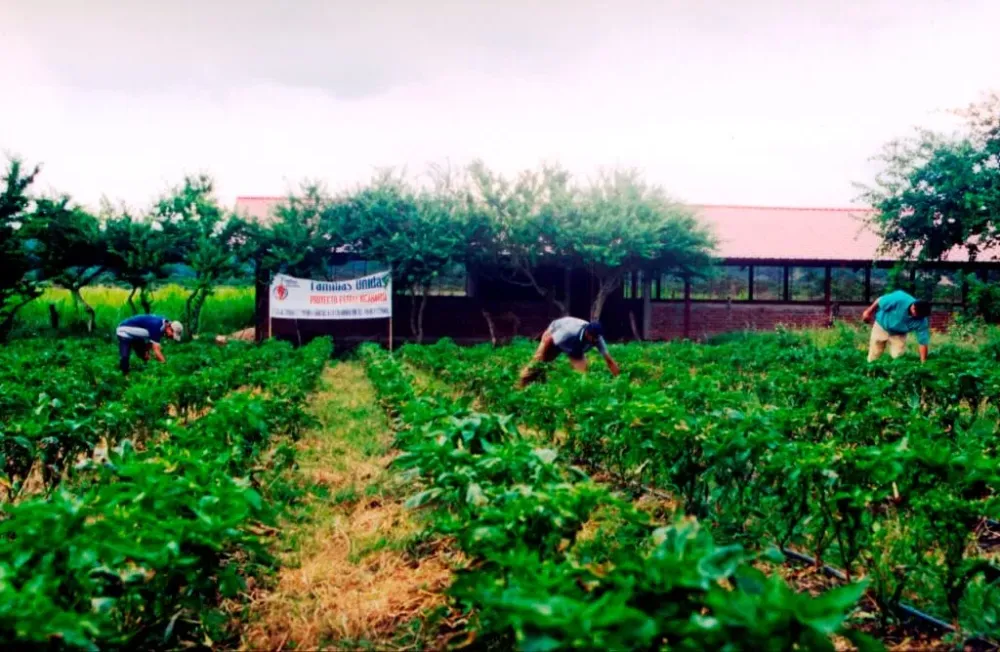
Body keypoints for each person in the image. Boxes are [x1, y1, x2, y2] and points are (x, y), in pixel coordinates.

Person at [518, 317, 620, 388]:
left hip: (575, 348)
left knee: (582, 376)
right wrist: (542, 358)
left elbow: (609, 361)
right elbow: (549, 340)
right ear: (588, 333)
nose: (595, 340)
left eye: (597, 338)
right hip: (553, 338)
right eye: (593, 338)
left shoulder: (597, 339)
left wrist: (619, 380)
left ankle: (577, 396)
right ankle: (520, 385)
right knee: (538, 364)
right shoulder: (569, 332)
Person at [861, 289, 931, 363]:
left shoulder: (922, 320)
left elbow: (923, 342)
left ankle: (894, 372)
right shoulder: (899, 298)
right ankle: (870, 370)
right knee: (875, 353)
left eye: (919, 316)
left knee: (899, 357)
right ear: (913, 307)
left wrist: (923, 362)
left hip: (899, 334)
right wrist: (868, 312)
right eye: (915, 314)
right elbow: (880, 300)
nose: (916, 317)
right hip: (881, 325)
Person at [116, 314, 183, 374]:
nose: (171, 337)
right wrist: (166, 367)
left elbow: (152, 342)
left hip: (137, 335)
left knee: (145, 355)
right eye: (172, 335)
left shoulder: (164, 325)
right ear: (169, 328)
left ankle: (146, 372)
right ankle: (125, 376)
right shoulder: (157, 326)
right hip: (124, 331)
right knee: (125, 357)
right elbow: (156, 350)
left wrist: (146, 349)